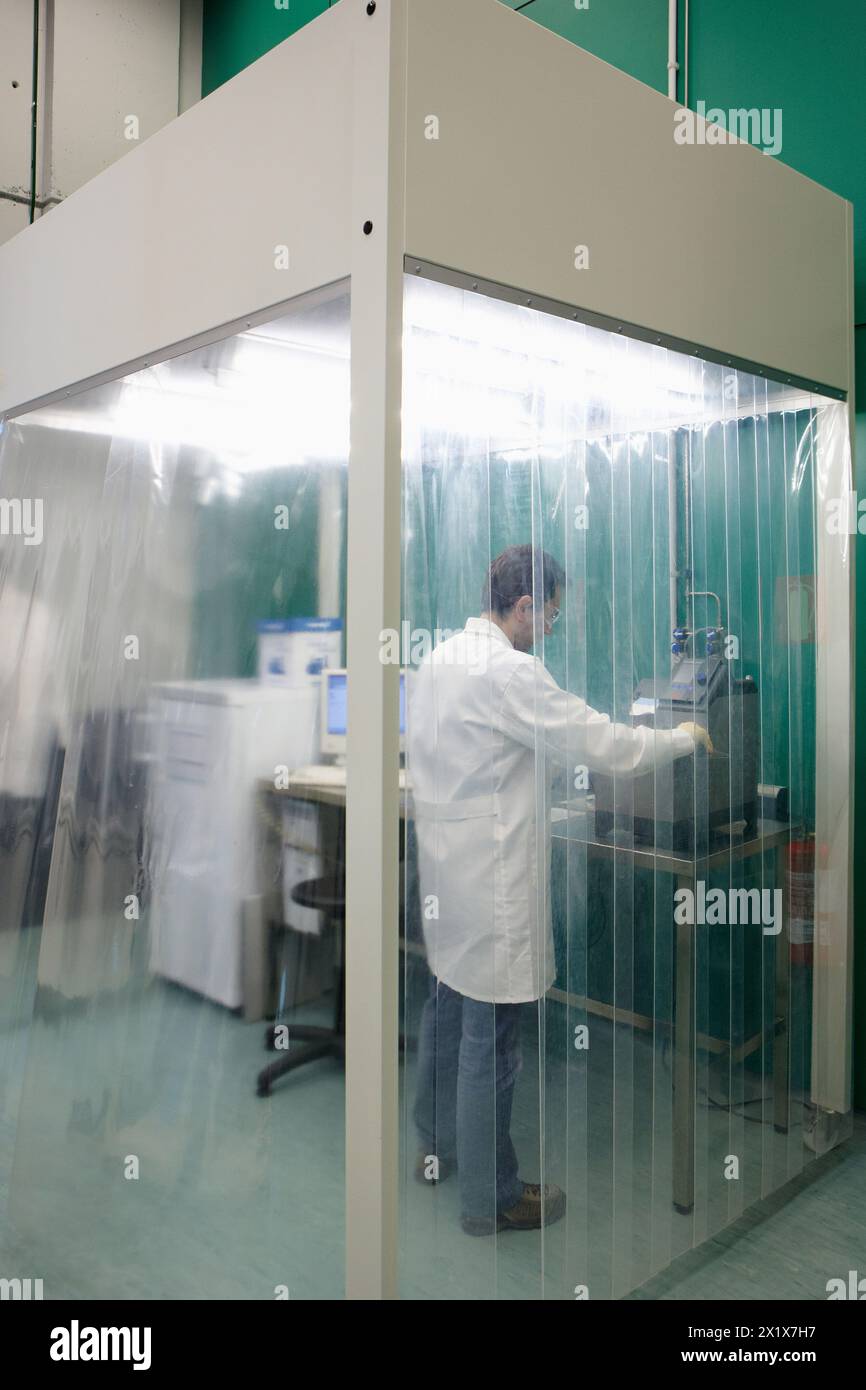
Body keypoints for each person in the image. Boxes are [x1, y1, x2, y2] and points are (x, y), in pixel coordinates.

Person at [407, 544, 712, 1236]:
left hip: (447, 879)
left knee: (445, 1011)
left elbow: (472, 758)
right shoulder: (509, 672)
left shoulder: (438, 660)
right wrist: (683, 737)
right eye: (547, 615)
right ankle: (491, 1199)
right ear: (521, 608)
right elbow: (607, 745)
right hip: (491, 889)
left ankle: (436, 1146)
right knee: (491, 1039)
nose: (549, 626)